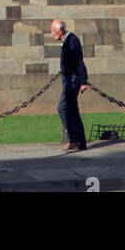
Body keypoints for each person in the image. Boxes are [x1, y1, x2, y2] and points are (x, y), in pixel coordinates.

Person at [50, 17, 88, 151]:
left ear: (60, 30)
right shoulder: (67, 41)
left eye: (53, 31)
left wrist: (83, 81)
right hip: (70, 80)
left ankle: (74, 139)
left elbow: (79, 62)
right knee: (73, 110)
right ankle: (80, 142)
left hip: (72, 81)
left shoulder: (71, 41)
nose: (52, 33)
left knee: (62, 107)